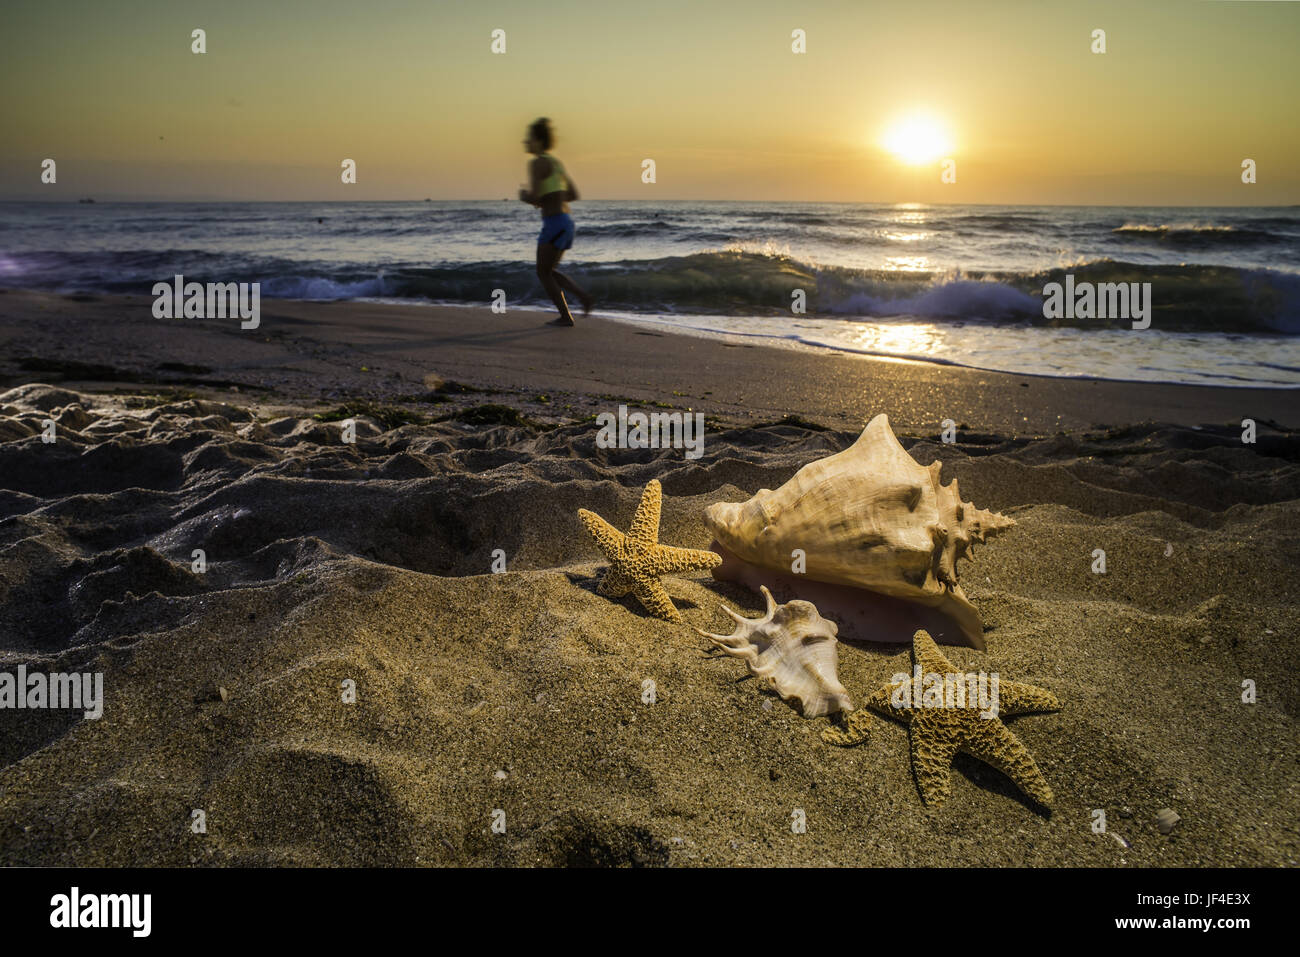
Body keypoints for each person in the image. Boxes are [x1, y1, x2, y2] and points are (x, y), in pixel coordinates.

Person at [519, 117, 593, 326]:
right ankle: (582, 297)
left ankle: (566, 316)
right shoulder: (556, 163)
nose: (525, 142)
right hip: (567, 223)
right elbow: (573, 194)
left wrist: (524, 196)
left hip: (553, 224)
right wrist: (550, 199)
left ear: (539, 141)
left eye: (529, 138)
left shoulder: (536, 163)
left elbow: (533, 196)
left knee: (542, 272)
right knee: (548, 271)